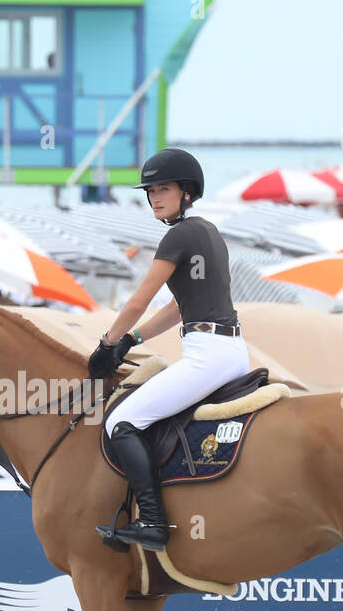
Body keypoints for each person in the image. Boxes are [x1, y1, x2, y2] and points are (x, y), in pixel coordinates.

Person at [87, 148, 249, 550]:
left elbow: (139, 299)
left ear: (187, 192)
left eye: (164, 189)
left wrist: (108, 343)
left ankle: (154, 524)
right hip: (230, 350)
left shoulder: (178, 235)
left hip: (207, 355)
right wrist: (132, 341)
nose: (155, 197)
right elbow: (177, 308)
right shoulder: (209, 233)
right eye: (151, 191)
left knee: (120, 423)